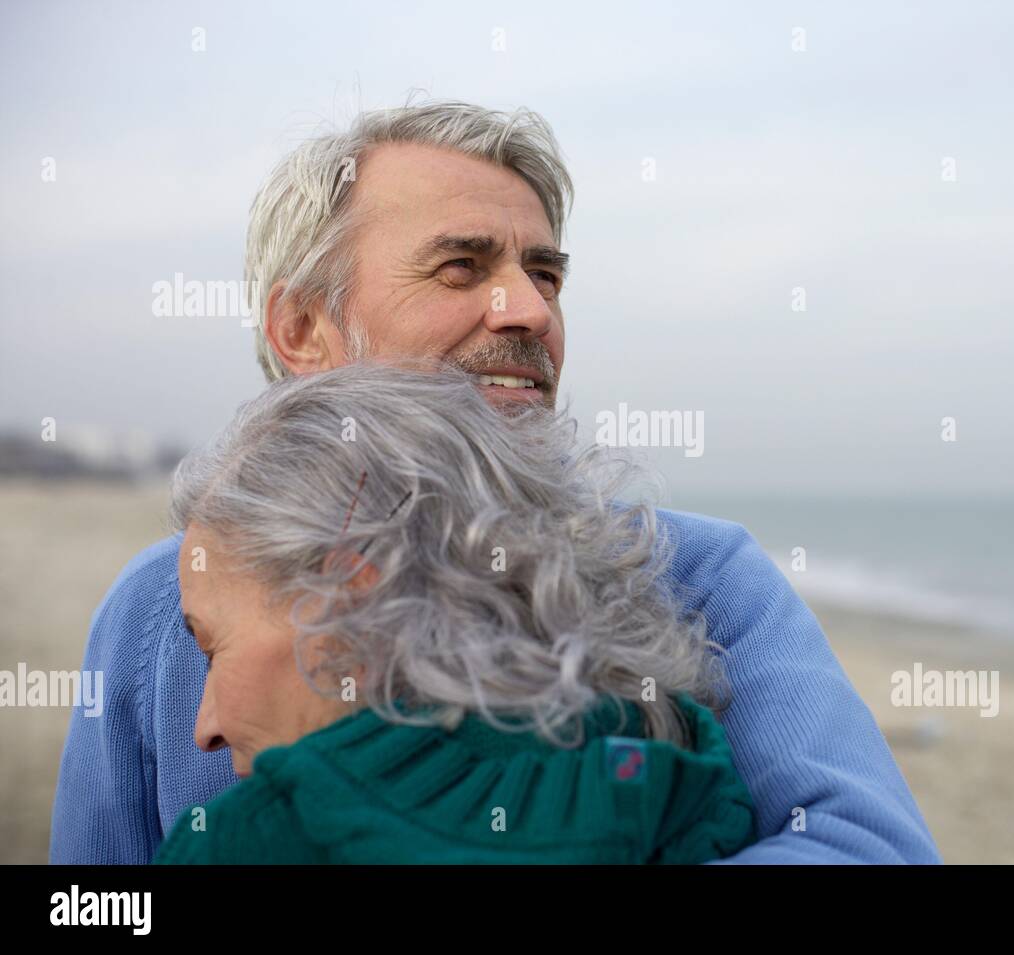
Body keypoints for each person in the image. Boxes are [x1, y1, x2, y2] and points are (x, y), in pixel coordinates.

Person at [50, 99, 941, 864]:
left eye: (544, 273)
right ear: (301, 327)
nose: (531, 310)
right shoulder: (162, 606)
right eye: (461, 267)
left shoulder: (695, 572)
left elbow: (864, 846)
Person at [152, 359, 758, 863]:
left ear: (348, 604)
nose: (205, 728)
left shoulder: (250, 842)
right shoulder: (688, 784)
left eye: (211, 650)